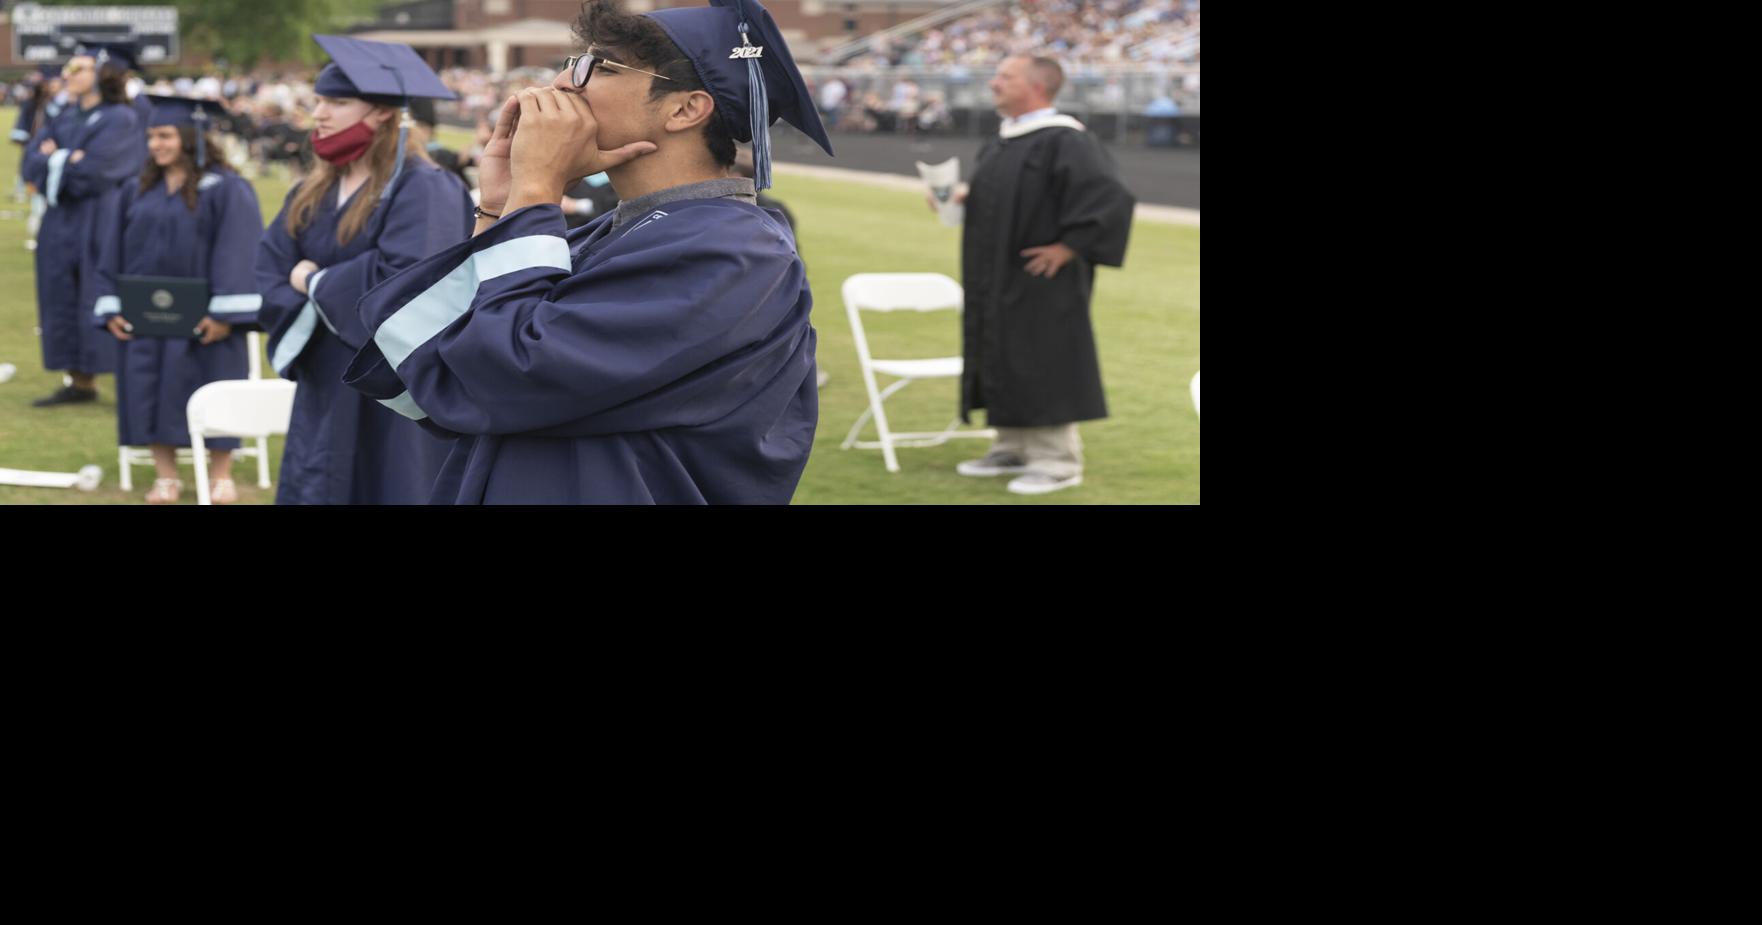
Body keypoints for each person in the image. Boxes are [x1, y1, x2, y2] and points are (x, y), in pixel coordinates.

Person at [343, 0, 830, 504]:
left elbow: (504, 376)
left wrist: (536, 190)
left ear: (685, 108)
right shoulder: (608, 233)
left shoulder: (734, 252)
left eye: (597, 66)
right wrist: (499, 205)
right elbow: (439, 376)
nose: (561, 84)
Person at [255, 35, 475, 504]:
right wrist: (318, 286)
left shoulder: (426, 187)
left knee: (387, 484)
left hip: (390, 382)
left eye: (336, 101)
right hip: (323, 374)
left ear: (381, 111)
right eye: (317, 101)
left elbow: (402, 284)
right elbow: (269, 267)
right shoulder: (310, 191)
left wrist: (311, 280)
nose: (318, 114)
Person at [942, 55, 1135, 496]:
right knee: (1002, 351)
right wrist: (963, 198)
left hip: (1043, 278)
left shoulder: (1066, 140)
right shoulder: (1003, 140)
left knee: (1043, 358)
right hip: (997, 274)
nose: (994, 83)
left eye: (1005, 76)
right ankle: (1010, 447)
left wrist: (1069, 247)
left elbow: (1110, 199)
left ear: (1038, 87)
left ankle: (1057, 460)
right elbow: (1014, 197)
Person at [92, 96, 265, 504]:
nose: (155, 144)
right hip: (145, 314)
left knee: (215, 382)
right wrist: (111, 306)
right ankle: (165, 475)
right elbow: (110, 252)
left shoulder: (228, 188)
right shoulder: (135, 190)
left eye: (165, 135)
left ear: (190, 137)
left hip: (206, 317)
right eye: (151, 136)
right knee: (145, 385)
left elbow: (239, 250)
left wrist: (225, 312)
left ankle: (220, 473)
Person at [19, 43, 147, 407]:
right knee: (60, 293)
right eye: (69, 67)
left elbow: (95, 172)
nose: (68, 74)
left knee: (97, 288)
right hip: (60, 218)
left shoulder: (121, 118)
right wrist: (65, 160)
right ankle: (78, 380)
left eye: (80, 68)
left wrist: (55, 160)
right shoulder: (64, 116)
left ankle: (119, 377)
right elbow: (30, 163)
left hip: (100, 217)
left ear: (102, 75)